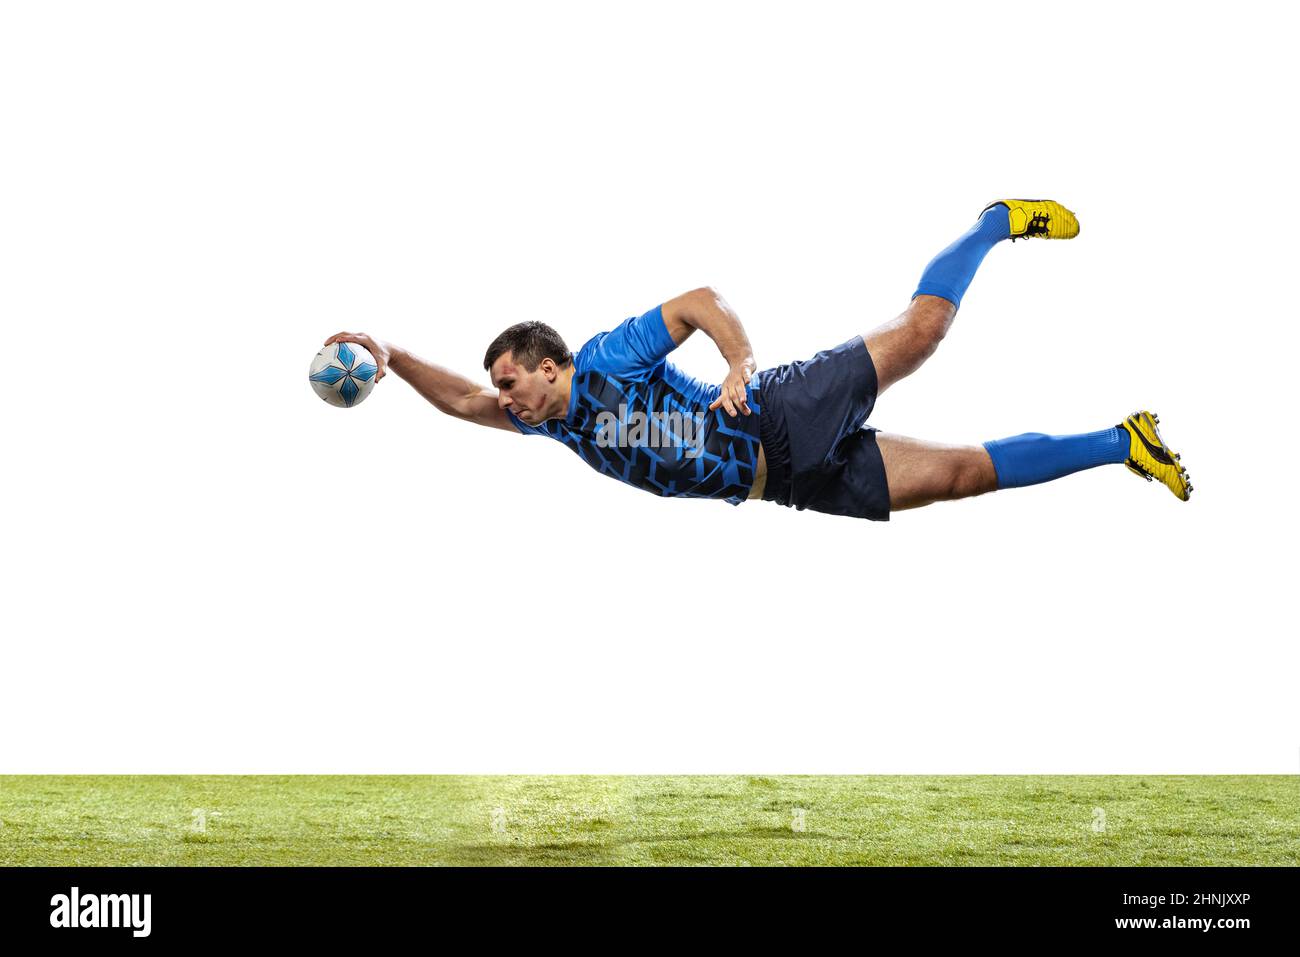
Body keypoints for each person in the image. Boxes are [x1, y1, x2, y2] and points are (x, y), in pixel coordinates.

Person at [323, 199, 1191, 520]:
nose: (503, 398)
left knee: (923, 332)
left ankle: (991, 222)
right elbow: (459, 401)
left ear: (547, 366)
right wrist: (391, 353)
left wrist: (737, 362)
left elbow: (701, 300)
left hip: (780, 409)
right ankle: (1126, 441)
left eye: (511, 381)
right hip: (791, 483)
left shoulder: (606, 360)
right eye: (502, 390)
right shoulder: (552, 427)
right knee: (965, 475)